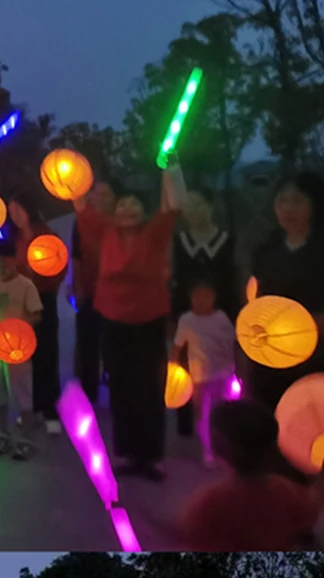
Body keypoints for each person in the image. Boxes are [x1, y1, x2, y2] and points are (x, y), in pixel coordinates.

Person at [247, 171, 324, 508]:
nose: (288, 208)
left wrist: (303, 329)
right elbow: (259, 299)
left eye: (298, 200)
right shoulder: (268, 247)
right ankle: (291, 514)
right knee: (282, 442)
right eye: (282, 199)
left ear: (315, 206)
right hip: (275, 366)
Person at [72, 159, 186, 481]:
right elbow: (80, 205)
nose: (128, 208)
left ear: (144, 211)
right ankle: (125, 453)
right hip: (113, 319)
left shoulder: (154, 233)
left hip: (148, 318)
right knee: (120, 386)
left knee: (150, 387)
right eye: (123, 204)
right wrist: (71, 178)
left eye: (135, 204)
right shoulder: (105, 231)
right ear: (115, 211)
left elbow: (174, 203)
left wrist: (172, 169)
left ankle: (152, 456)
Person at [179, 399, 324, 551]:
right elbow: (311, 507)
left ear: (220, 443)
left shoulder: (208, 505)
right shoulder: (282, 491)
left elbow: (189, 535)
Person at [171, 188, 240, 438]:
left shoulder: (226, 240)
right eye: (188, 206)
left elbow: (231, 278)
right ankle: (187, 424)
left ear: (210, 207)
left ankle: (221, 423)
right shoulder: (180, 241)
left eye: (198, 204)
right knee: (186, 366)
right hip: (187, 314)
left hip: (219, 313)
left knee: (220, 367)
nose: (193, 211)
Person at [9, 192, 66, 434]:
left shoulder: (45, 234)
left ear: (28, 208)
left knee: (46, 353)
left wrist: (41, 281)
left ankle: (50, 408)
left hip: (43, 298)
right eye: (11, 212)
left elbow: (59, 265)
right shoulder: (15, 239)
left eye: (18, 209)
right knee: (26, 356)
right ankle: (29, 408)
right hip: (21, 300)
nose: (15, 215)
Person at [0, 239, 44, 461]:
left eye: (3, 262)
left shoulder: (26, 285)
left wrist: (20, 329)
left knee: (22, 394)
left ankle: (26, 440)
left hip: (17, 350)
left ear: (14, 260)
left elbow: (36, 313)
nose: (0, 268)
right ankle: (3, 435)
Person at [172, 278, 237, 467]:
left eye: (206, 295)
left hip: (223, 372)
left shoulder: (221, 318)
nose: (201, 299)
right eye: (197, 296)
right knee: (203, 414)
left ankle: (222, 450)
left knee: (221, 413)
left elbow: (231, 343)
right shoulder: (186, 320)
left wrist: (235, 367)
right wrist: (172, 369)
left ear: (213, 297)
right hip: (199, 376)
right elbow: (177, 346)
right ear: (191, 298)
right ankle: (208, 450)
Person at [71, 181, 115, 405]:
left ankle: (113, 383)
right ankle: (89, 392)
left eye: (106, 193)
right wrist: (76, 286)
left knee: (112, 342)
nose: (100, 198)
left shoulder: (118, 223)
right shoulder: (81, 223)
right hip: (89, 289)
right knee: (88, 342)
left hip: (115, 293)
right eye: (97, 193)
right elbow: (76, 256)